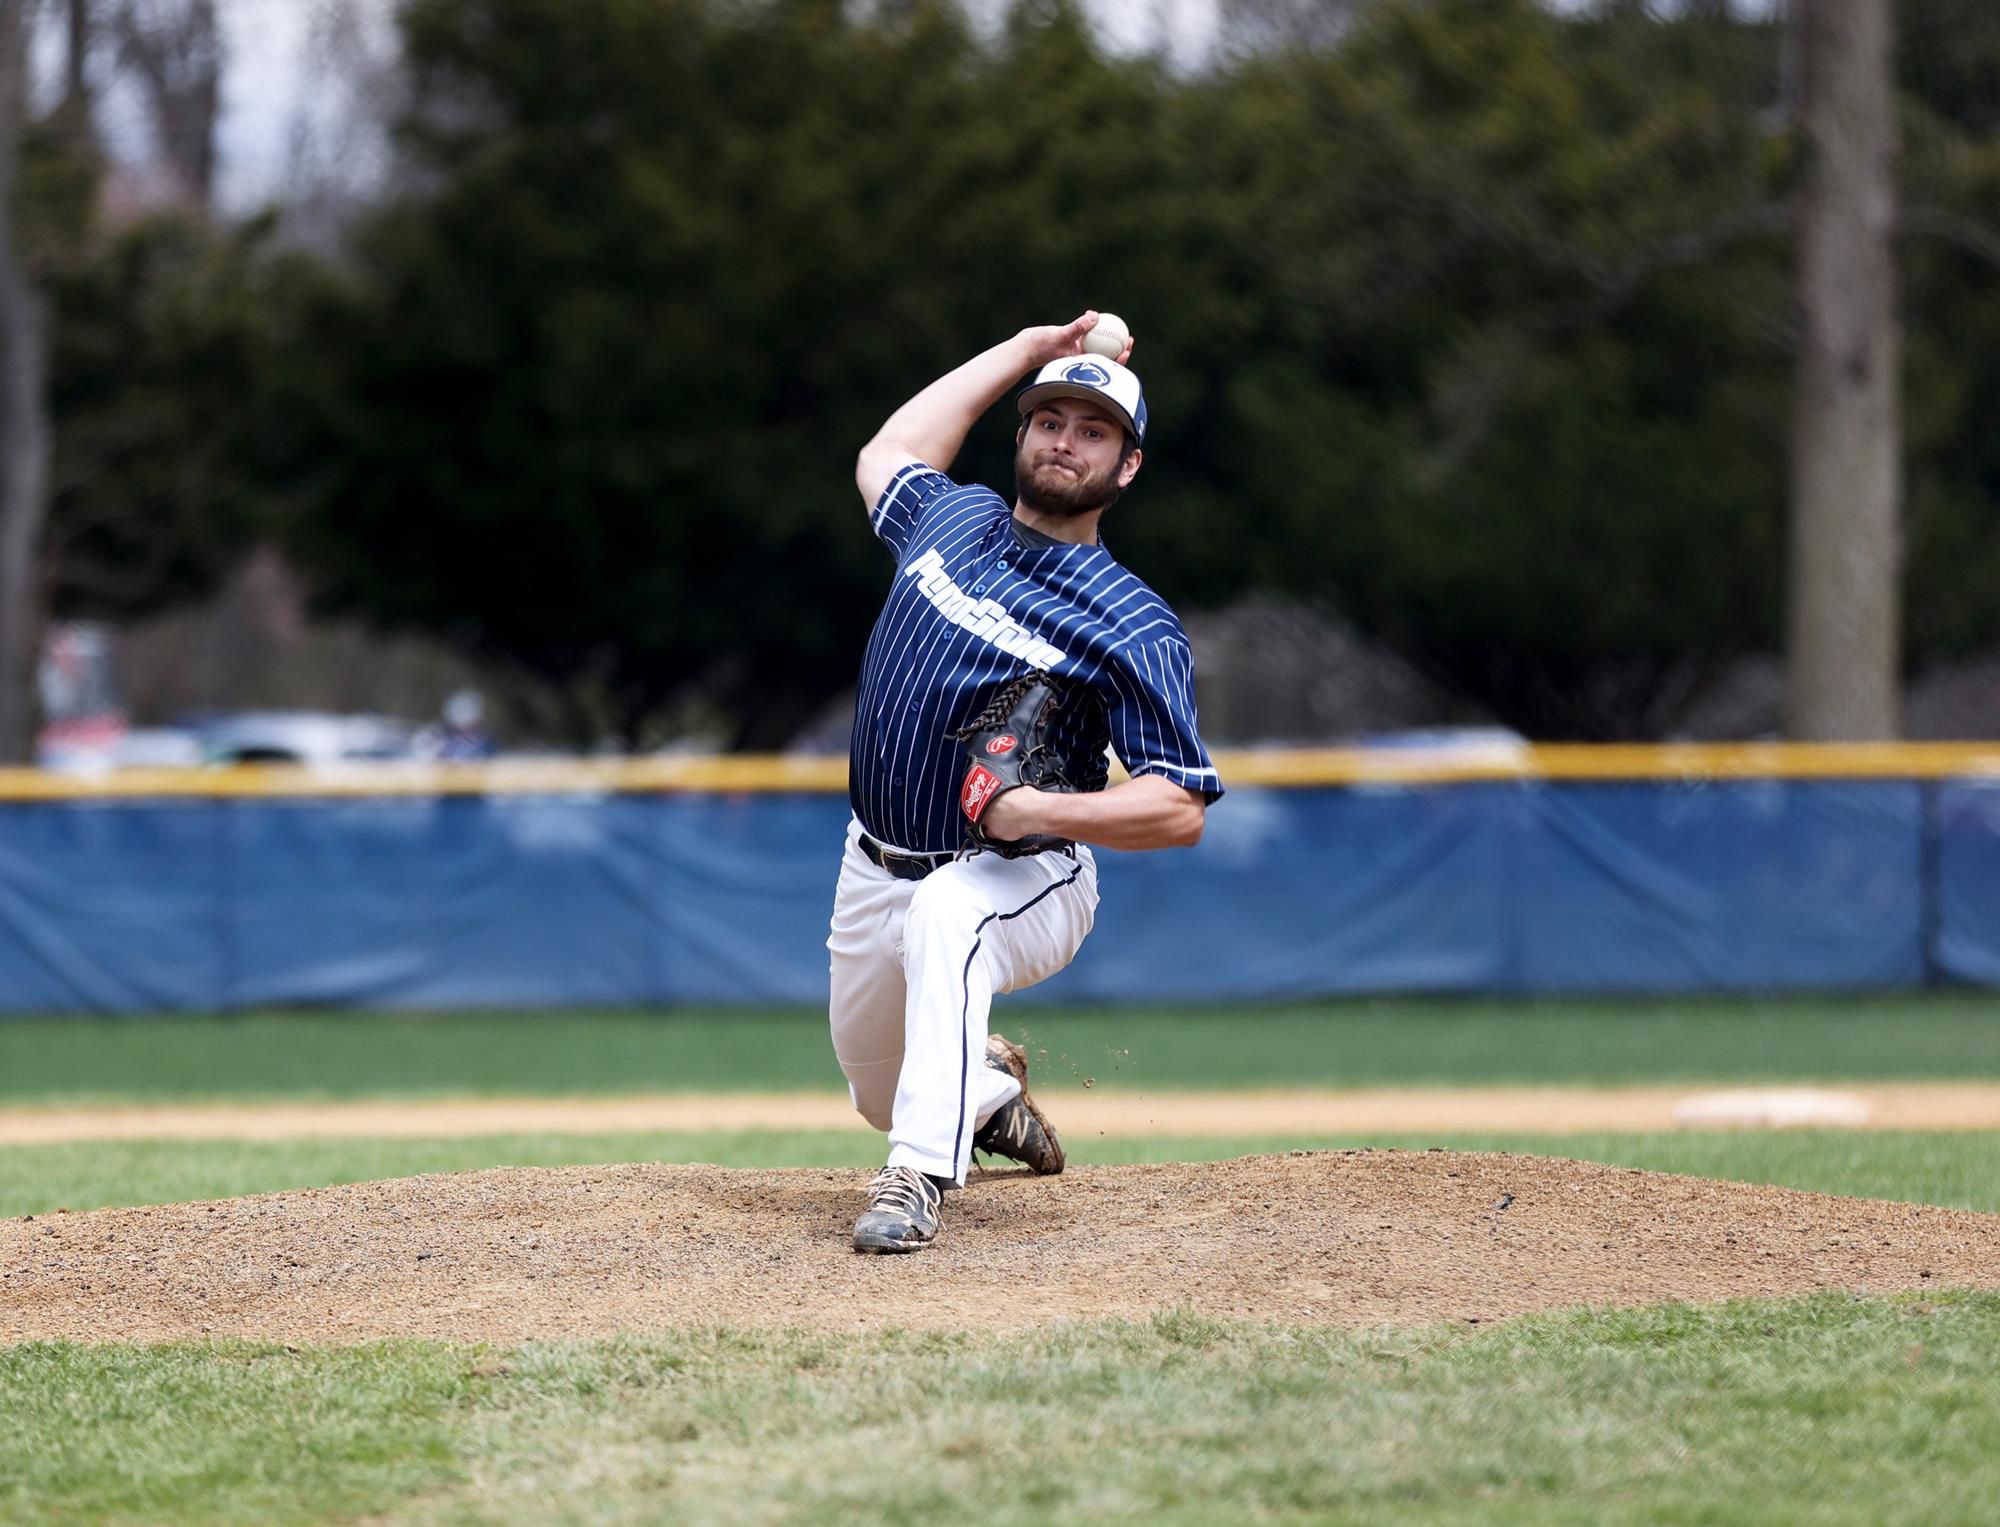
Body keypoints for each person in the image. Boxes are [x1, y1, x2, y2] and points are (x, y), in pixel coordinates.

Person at [831, 312, 1223, 1254]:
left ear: (1127, 466)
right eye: (1050, 420)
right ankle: (986, 1089)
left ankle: (915, 1179)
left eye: (1094, 432)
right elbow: (887, 452)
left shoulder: (1131, 620)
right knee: (879, 1089)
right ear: (1022, 434)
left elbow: (1179, 807)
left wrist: (1036, 809)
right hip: (873, 860)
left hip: (1027, 873)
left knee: (948, 913)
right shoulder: (952, 518)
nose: (1066, 441)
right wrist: (1024, 352)